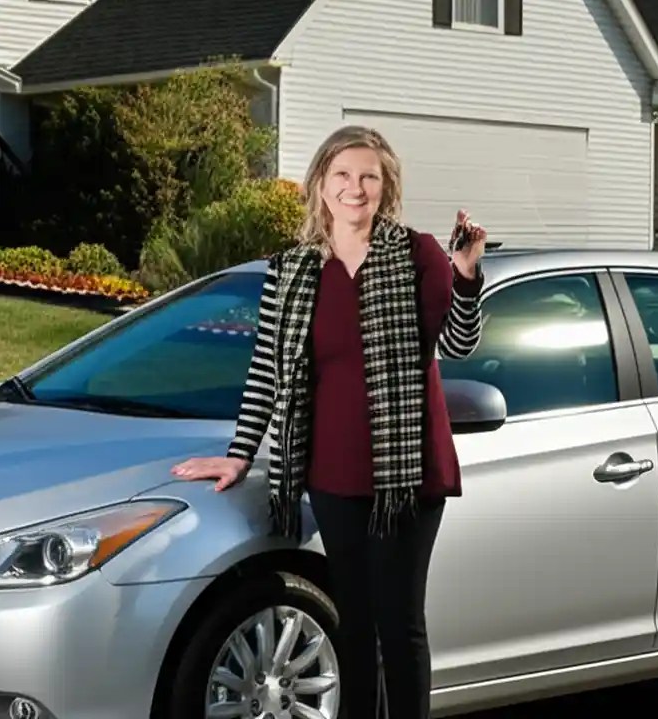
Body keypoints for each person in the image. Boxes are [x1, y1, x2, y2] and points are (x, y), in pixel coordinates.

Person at [170, 124, 487, 719]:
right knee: (355, 624)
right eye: (342, 174)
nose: (355, 187)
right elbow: (267, 370)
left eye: (369, 176)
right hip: (333, 475)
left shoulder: (417, 254)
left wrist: (465, 276)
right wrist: (239, 454)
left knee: (399, 624)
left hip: (408, 474)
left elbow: (458, 343)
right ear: (320, 184)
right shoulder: (292, 271)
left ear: (386, 186)